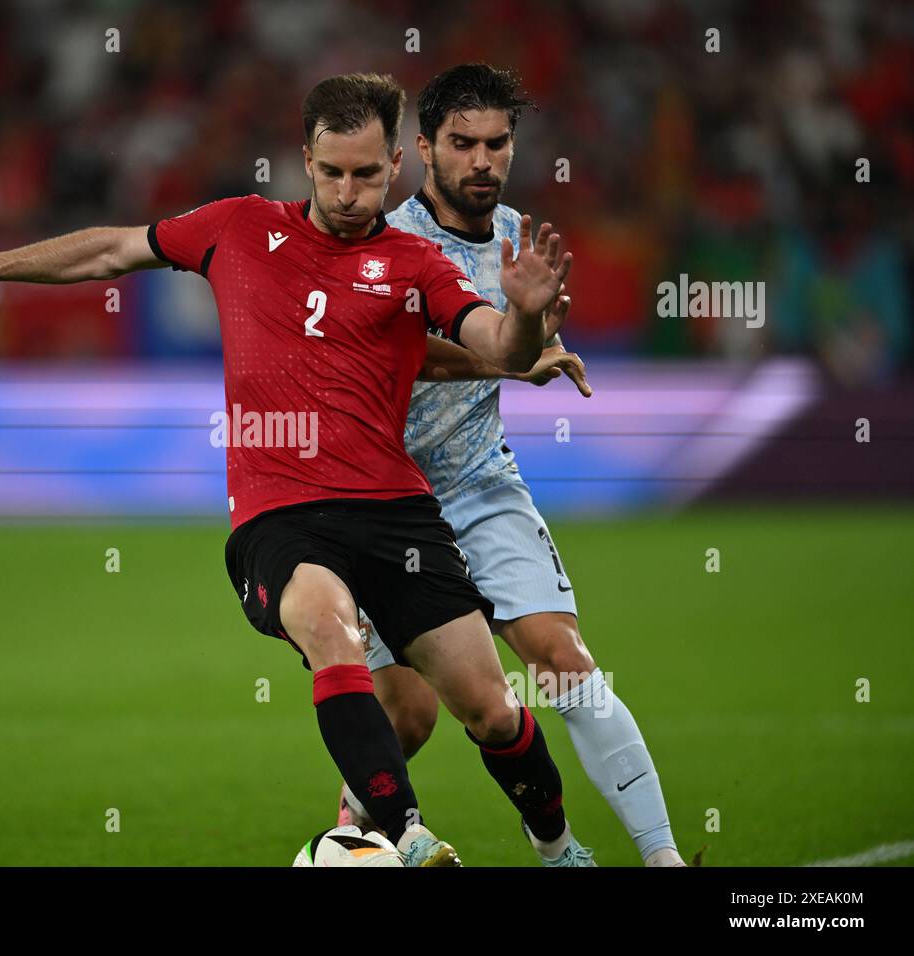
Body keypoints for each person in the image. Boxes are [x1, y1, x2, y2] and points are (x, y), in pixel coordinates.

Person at [0, 73, 592, 866]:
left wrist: (528, 311)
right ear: (305, 160)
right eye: (332, 172)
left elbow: (500, 348)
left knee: (492, 708)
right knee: (333, 631)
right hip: (279, 515)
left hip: (395, 509)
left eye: (367, 174)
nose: (350, 191)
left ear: (397, 164)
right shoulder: (237, 228)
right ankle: (404, 836)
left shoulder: (415, 262)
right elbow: (111, 250)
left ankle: (561, 850)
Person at [338, 63, 683, 867]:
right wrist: (507, 355)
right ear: (424, 149)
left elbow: (520, 347)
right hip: (384, 501)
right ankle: (342, 849)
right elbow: (394, 356)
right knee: (408, 716)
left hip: (478, 483)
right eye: (463, 144)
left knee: (564, 661)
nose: (482, 161)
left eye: (497, 144)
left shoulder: (519, 241)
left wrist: (535, 335)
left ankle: (655, 858)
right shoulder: (383, 245)